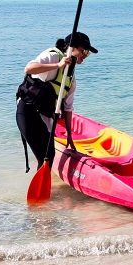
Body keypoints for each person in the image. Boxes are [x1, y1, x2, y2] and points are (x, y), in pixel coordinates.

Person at [15, 32, 98, 171]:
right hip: (26, 111)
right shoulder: (53, 55)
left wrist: (70, 136)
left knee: (49, 155)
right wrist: (58, 65)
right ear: (72, 48)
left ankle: (48, 188)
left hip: (42, 116)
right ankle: (44, 191)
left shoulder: (71, 79)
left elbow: (68, 108)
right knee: (45, 156)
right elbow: (29, 68)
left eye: (87, 53)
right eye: (84, 51)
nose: (85, 56)